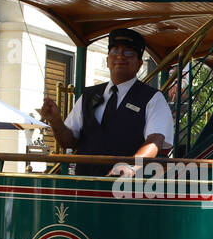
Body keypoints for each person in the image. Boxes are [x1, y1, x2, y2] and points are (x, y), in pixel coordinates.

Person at [39, 28, 173, 175]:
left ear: (139, 64)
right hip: (86, 186)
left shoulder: (152, 98)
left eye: (128, 53)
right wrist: (56, 121)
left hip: (126, 189)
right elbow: (68, 142)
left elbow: (155, 141)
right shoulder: (88, 96)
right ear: (108, 60)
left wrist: (130, 167)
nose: (120, 57)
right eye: (114, 51)